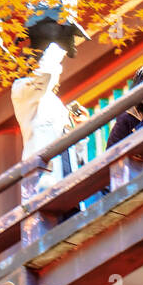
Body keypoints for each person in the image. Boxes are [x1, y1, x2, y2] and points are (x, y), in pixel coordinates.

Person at [11, 41, 87, 192]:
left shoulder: (57, 104)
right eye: (57, 68)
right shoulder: (22, 91)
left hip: (69, 177)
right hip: (43, 179)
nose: (58, 72)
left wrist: (81, 128)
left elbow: (76, 153)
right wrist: (56, 46)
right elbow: (42, 79)